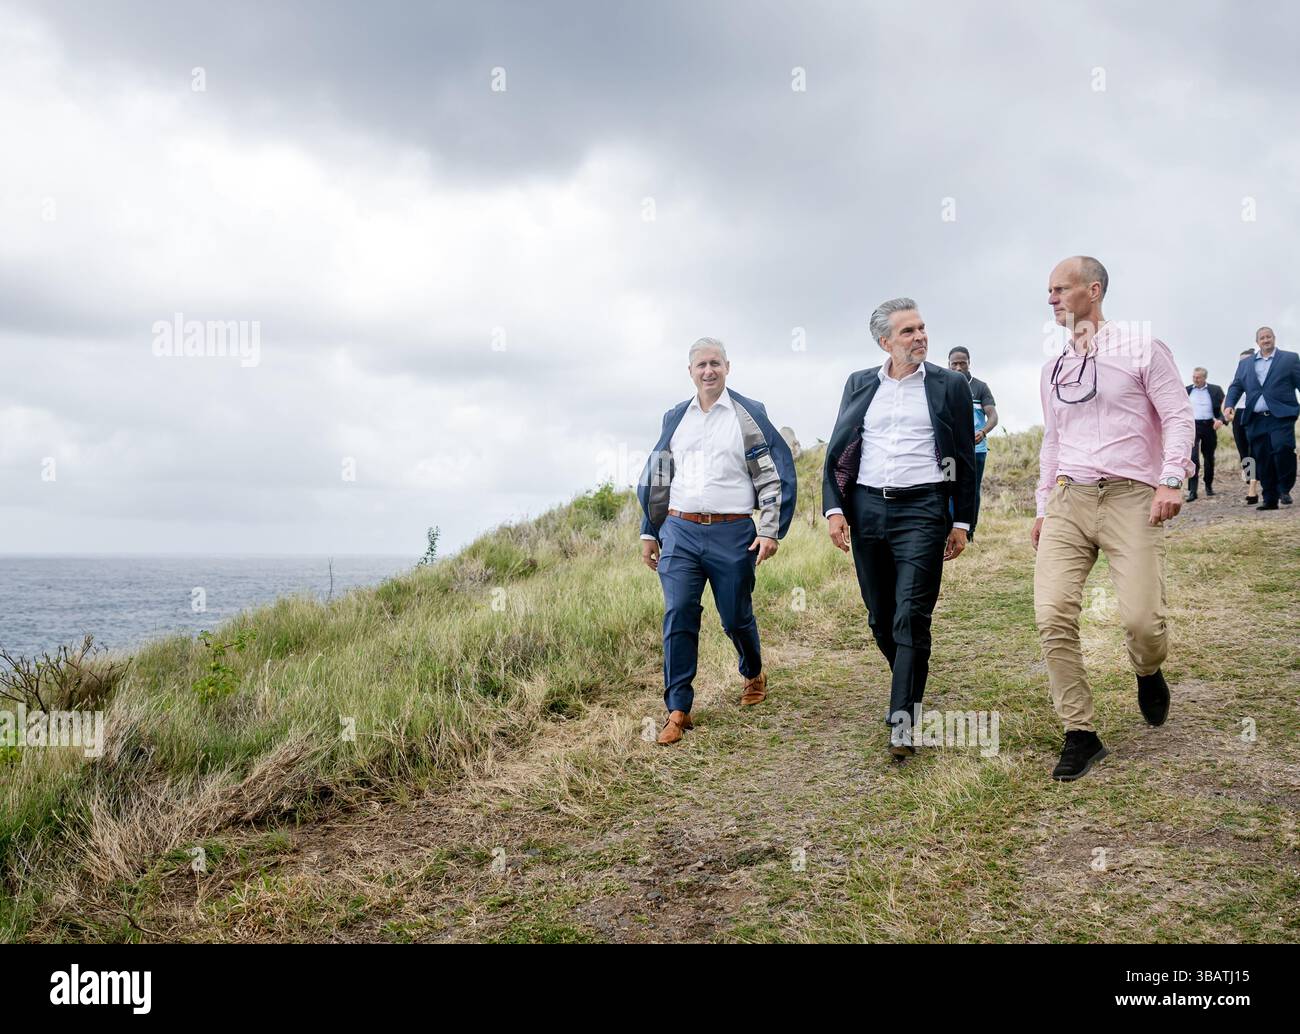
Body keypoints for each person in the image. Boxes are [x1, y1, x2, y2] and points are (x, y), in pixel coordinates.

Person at [1033, 256, 1194, 781]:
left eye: (1061, 288)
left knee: (1142, 623)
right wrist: (1042, 506)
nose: (1052, 298)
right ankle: (1080, 733)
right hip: (1069, 499)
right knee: (1052, 614)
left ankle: (1148, 670)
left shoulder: (1143, 348)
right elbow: (1052, 442)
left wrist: (1172, 478)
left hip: (1131, 496)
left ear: (1094, 291)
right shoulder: (1053, 367)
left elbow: (1176, 415)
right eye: (1049, 291)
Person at [822, 299, 975, 760]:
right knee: (880, 616)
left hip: (923, 509)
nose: (920, 337)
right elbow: (837, 448)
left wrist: (962, 520)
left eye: (922, 328)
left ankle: (902, 720)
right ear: (885, 342)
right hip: (866, 507)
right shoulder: (860, 383)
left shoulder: (949, 385)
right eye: (908, 331)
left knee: (912, 614)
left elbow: (965, 458)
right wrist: (834, 509)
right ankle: (908, 679)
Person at [637, 338, 797, 745]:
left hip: (733, 532)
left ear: (727, 367)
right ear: (690, 372)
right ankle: (678, 709)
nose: (708, 371)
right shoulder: (676, 417)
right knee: (678, 612)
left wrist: (769, 529)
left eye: (715, 364)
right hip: (679, 530)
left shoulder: (749, 414)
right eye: (700, 365)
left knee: (735, 615)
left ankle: (753, 671)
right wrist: (648, 530)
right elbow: (659, 475)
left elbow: (772, 473)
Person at [1224, 327, 1300, 510]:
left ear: (1274, 338)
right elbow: (1236, 386)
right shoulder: (1245, 364)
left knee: (1283, 449)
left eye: (1269, 337)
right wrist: (1229, 405)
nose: (1266, 340)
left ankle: (1284, 488)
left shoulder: (1289, 359)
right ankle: (1269, 498)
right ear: (1257, 342)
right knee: (1260, 458)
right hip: (1253, 418)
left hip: (1280, 415)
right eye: (1262, 338)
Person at [947, 346, 998, 539]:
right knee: (948, 487)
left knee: (971, 489)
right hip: (949, 452)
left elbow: (992, 415)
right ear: (949, 365)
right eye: (955, 364)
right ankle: (948, 530)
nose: (959, 367)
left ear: (969, 363)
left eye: (963, 363)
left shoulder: (980, 387)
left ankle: (969, 531)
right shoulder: (943, 385)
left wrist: (983, 431)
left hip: (976, 451)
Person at [1224, 348, 1261, 504]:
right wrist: (1227, 413)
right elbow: (1227, 400)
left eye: (1246, 360)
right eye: (1241, 361)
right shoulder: (1235, 380)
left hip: (1255, 413)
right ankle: (1250, 474)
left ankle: (1254, 484)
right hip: (1238, 415)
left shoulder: (1260, 377)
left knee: (1255, 449)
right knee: (1243, 450)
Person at [1184, 367, 1224, 501]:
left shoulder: (1215, 390)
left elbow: (1224, 408)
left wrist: (1221, 420)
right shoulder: (1186, 390)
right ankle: (1192, 491)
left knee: (1209, 458)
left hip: (1209, 426)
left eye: (1198, 377)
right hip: (1192, 426)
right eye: (1194, 377)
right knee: (1193, 458)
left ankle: (1208, 486)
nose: (1195, 379)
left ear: (1204, 378)